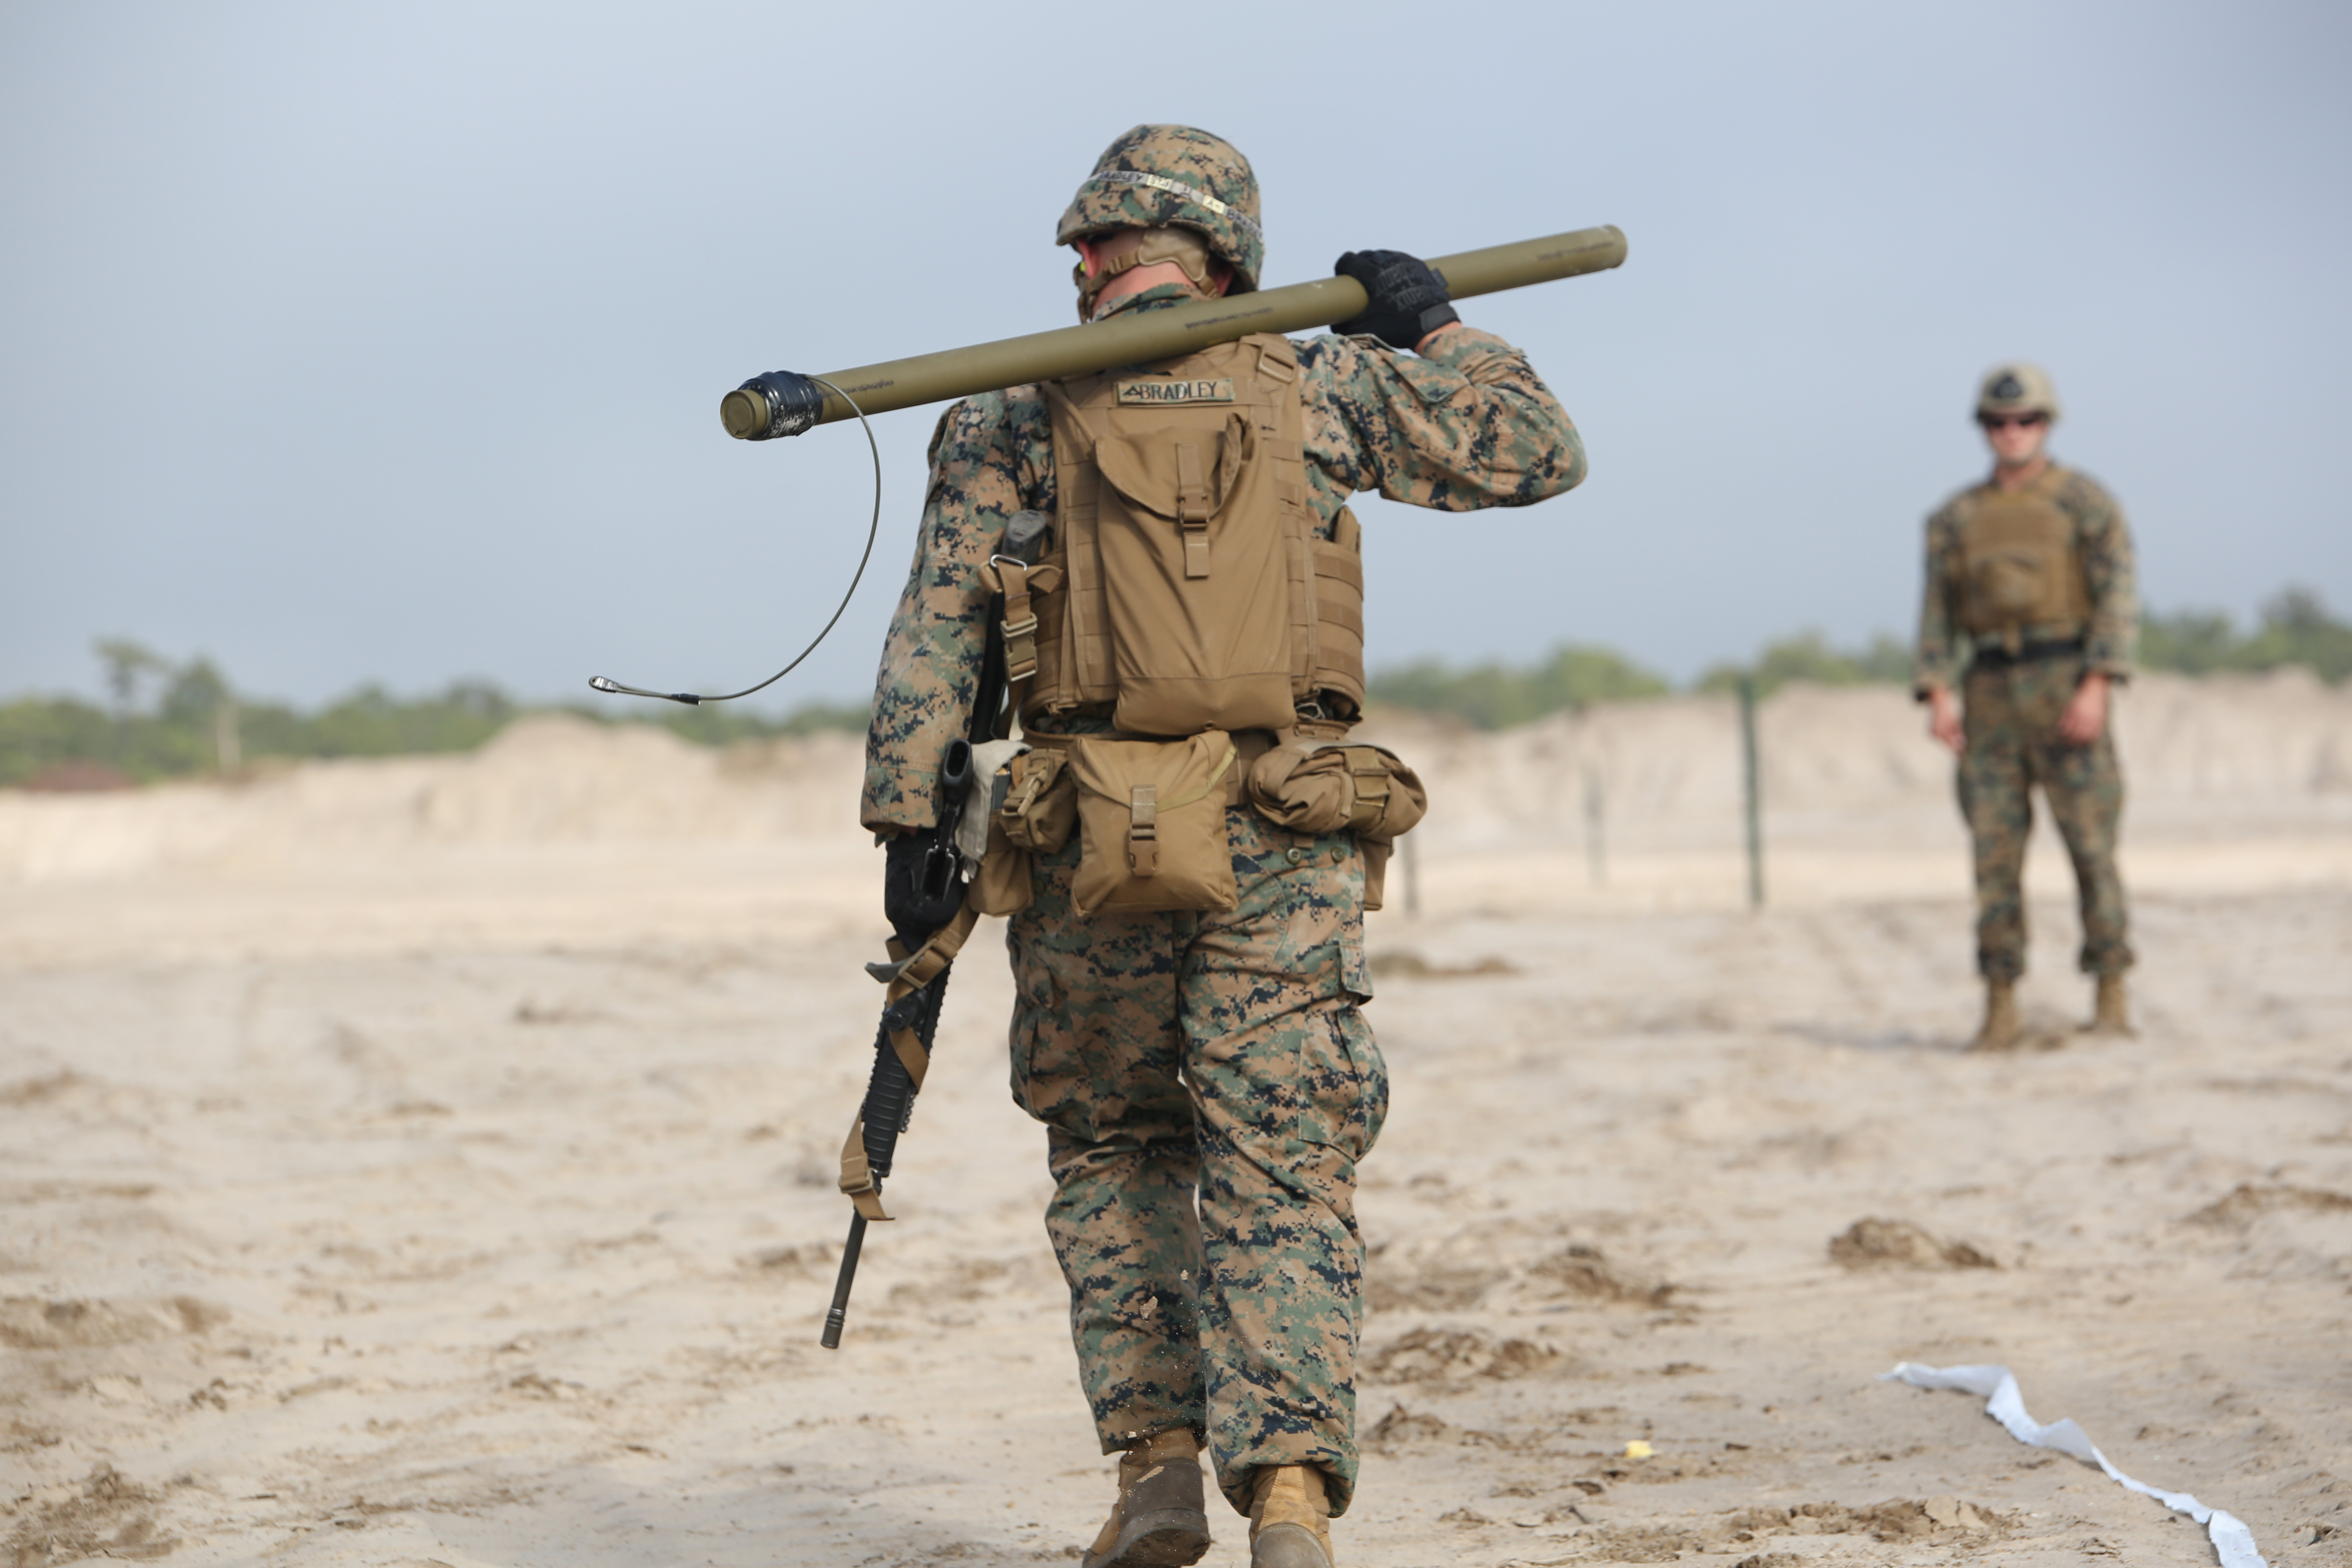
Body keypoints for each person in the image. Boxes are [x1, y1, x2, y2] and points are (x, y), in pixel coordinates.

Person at [858, 125, 1586, 1568]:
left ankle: (1156, 1470)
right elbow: (1535, 448)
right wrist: (1430, 321)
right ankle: (1293, 1491)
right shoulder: (1322, 382)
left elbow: (938, 636)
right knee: (1283, 1150)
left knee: (1114, 1144)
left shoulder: (1009, 406)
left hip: (1087, 839)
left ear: (1092, 251)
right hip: (1281, 830)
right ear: (1234, 257)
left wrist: (909, 827)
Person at [1913, 363, 2138, 1051]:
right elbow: (1937, 613)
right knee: (1994, 859)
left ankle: (2110, 995)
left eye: (2026, 421)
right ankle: (2001, 1005)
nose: (2012, 433)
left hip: (2065, 684)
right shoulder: (1955, 519)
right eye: (1999, 422)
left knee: (2093, 850)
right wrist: (1939, 691)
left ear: (2047, 424)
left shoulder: (2085, 503)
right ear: (1983, 429)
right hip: (1989, 693)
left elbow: (2117, 597)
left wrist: (2098, 683)